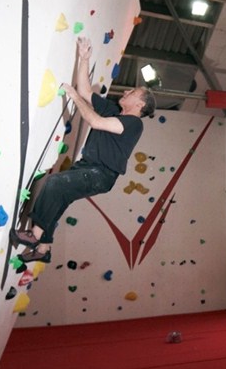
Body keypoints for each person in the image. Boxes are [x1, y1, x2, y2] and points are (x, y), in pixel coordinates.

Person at [11, 36, 156, 263]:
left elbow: (96, 122)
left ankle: (35, 234)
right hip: (88, 167)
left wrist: (74, 98)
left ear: (140, 105)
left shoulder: (134, 124)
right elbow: (85, 90)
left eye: (133, 92)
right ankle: (44, 249)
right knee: (59, 197)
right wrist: (83, 58)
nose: (127, 91)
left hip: (101, 174)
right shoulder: (112, 109)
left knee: (54, 183)